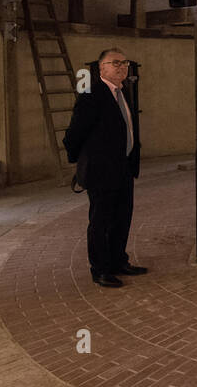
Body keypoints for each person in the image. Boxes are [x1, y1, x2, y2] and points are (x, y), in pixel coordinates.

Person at [63, 47, 148, 288]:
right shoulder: (91, 93)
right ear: (102, 68)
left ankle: (118, 261)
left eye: (125, 63)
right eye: (115, 63)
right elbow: (74, 134)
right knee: (101, 221)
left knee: (122, 218)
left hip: (123, 168)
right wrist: (81, 160)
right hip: (102, 171)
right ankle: (100, 269)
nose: (121, 67)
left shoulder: (122, 92)